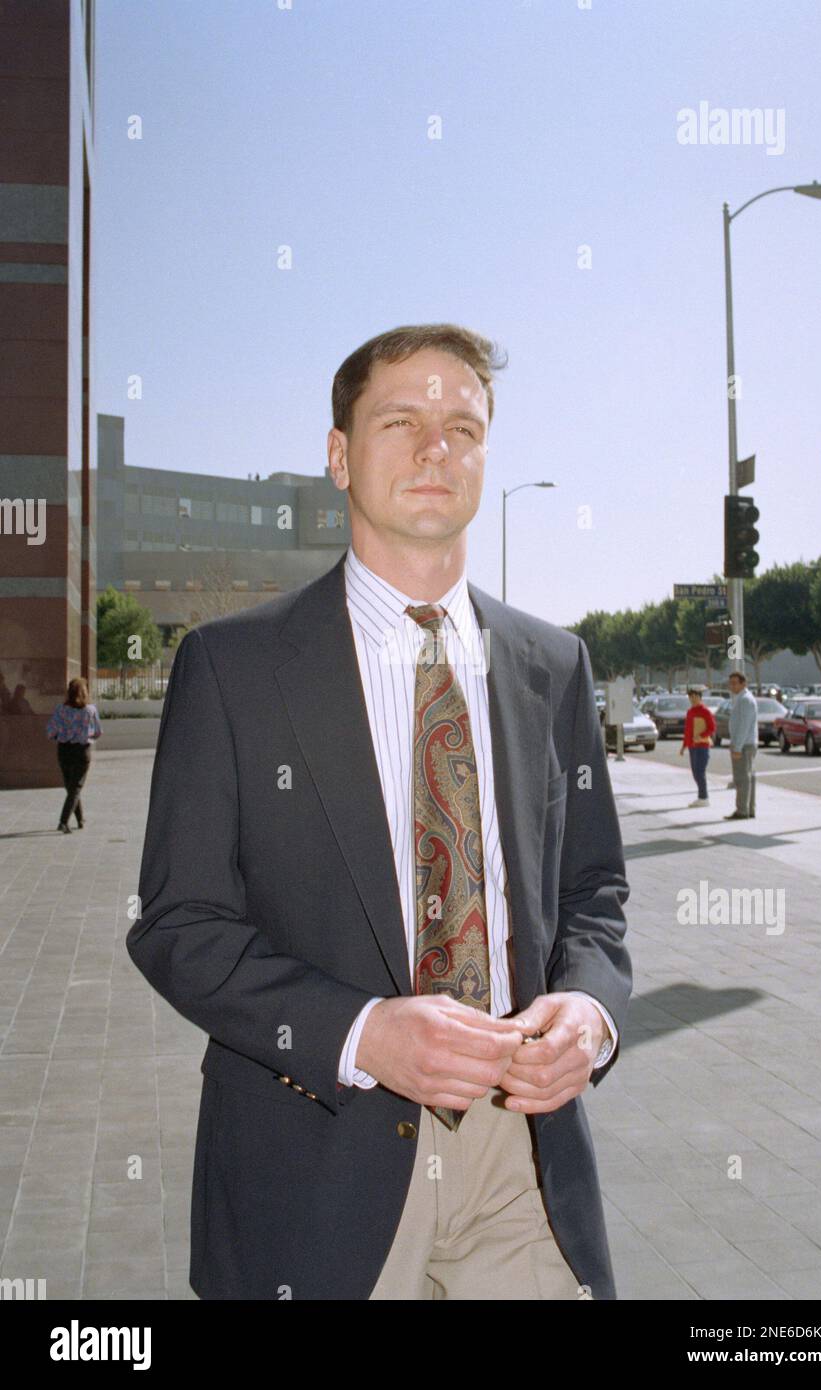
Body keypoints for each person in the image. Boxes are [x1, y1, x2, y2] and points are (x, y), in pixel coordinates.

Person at [127, 323, 632, 1302]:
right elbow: (180, 925)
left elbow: (593, 888)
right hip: (319, 1154)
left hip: (519, 1157)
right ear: (338, 455)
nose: (433, 448)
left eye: (461, 426)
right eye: (400, 420)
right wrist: (362, 1031)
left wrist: (591, 1010)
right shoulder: (233, 667)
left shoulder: (552, 664)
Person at [45, 677, 102, 833]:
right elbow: (98, 732)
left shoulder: (60, 710)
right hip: (82, 752)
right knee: (75, 788)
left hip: (64, 751)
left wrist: (60, 736)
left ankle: (80, 819)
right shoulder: (90, 710)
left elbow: (50, 731)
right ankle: (63, 822)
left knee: (71, 787)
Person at [725, 670, 757, 820]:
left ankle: (742, 810)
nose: (731, 686)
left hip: (744, 745)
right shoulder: (742, 698)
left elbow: (743, 726)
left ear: (743, 683)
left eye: (734, 683)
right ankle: (749, 809)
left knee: (742, 778)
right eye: (730, 683)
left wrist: (737, 747)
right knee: (748, 777)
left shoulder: (745, 700)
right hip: (746, 743)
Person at [679, 685, 715, 806]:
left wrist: (702, 735)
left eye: (695, 697)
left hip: (702, 746)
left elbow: (712, 728)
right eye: (691, 697)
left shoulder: (705, 711)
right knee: (695, 772)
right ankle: (702, 797)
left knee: (700, 772)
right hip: (692, 746)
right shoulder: (690, 712)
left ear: (700, 698)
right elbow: (687, 731)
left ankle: (703, 798)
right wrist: (684, 746)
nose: (693, 699)